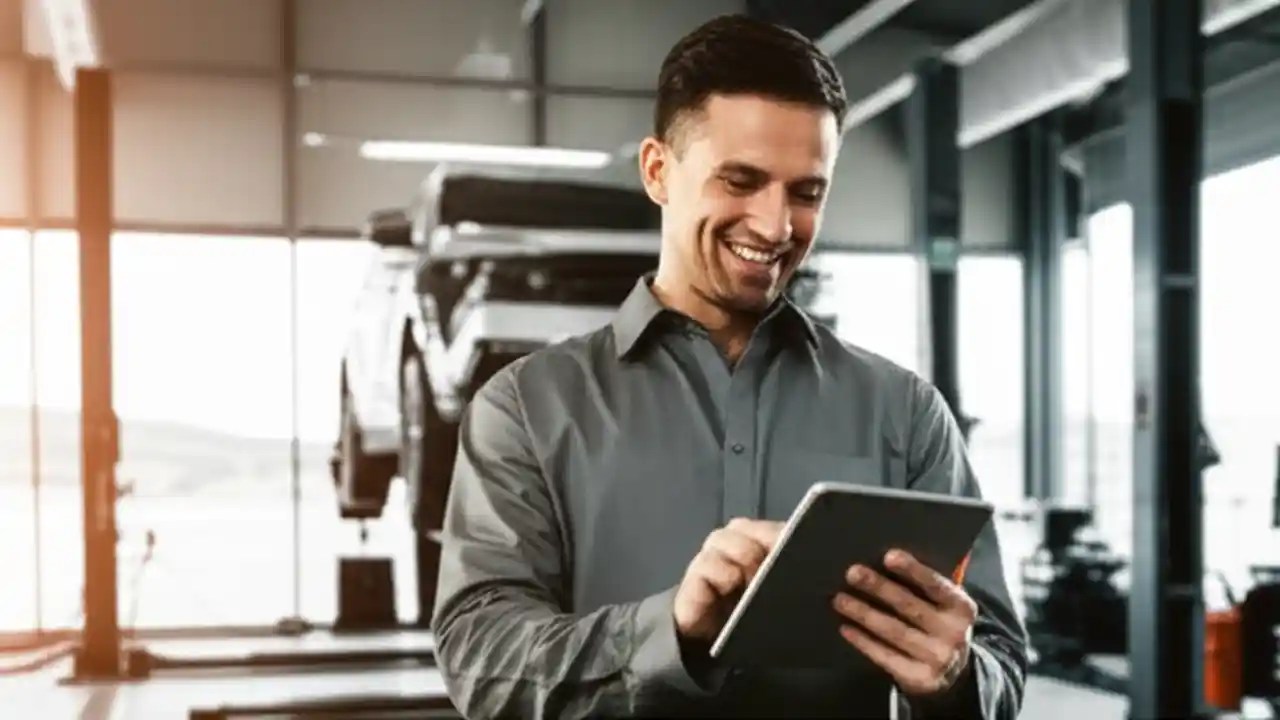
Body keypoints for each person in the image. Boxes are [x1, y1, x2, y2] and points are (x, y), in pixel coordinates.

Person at [431, 13, 1028, 718]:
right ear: (658, 171)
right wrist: (669, 631)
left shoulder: (906, 414)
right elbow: (480, 658)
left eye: (807, 192)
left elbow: (998, 661)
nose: (775, 226)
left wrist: (957, 676)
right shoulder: (527, 409)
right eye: (740, 180)